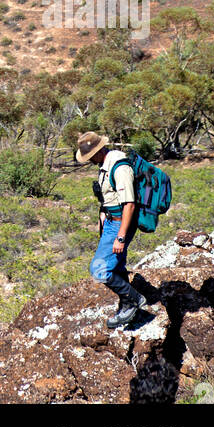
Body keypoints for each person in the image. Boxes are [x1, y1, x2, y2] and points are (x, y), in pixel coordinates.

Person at [75, 131, 146, 329]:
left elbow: (129, 205)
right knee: (116, 267)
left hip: (120, 224)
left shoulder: (120, 167)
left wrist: (120, 237)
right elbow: (110, 196)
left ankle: (134, 300)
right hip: (111, 221)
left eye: (90, 157)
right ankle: (126, 307)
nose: (89, 161)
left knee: (98, 269)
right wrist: (103, 213)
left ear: (98, 151)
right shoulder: (104, 165)